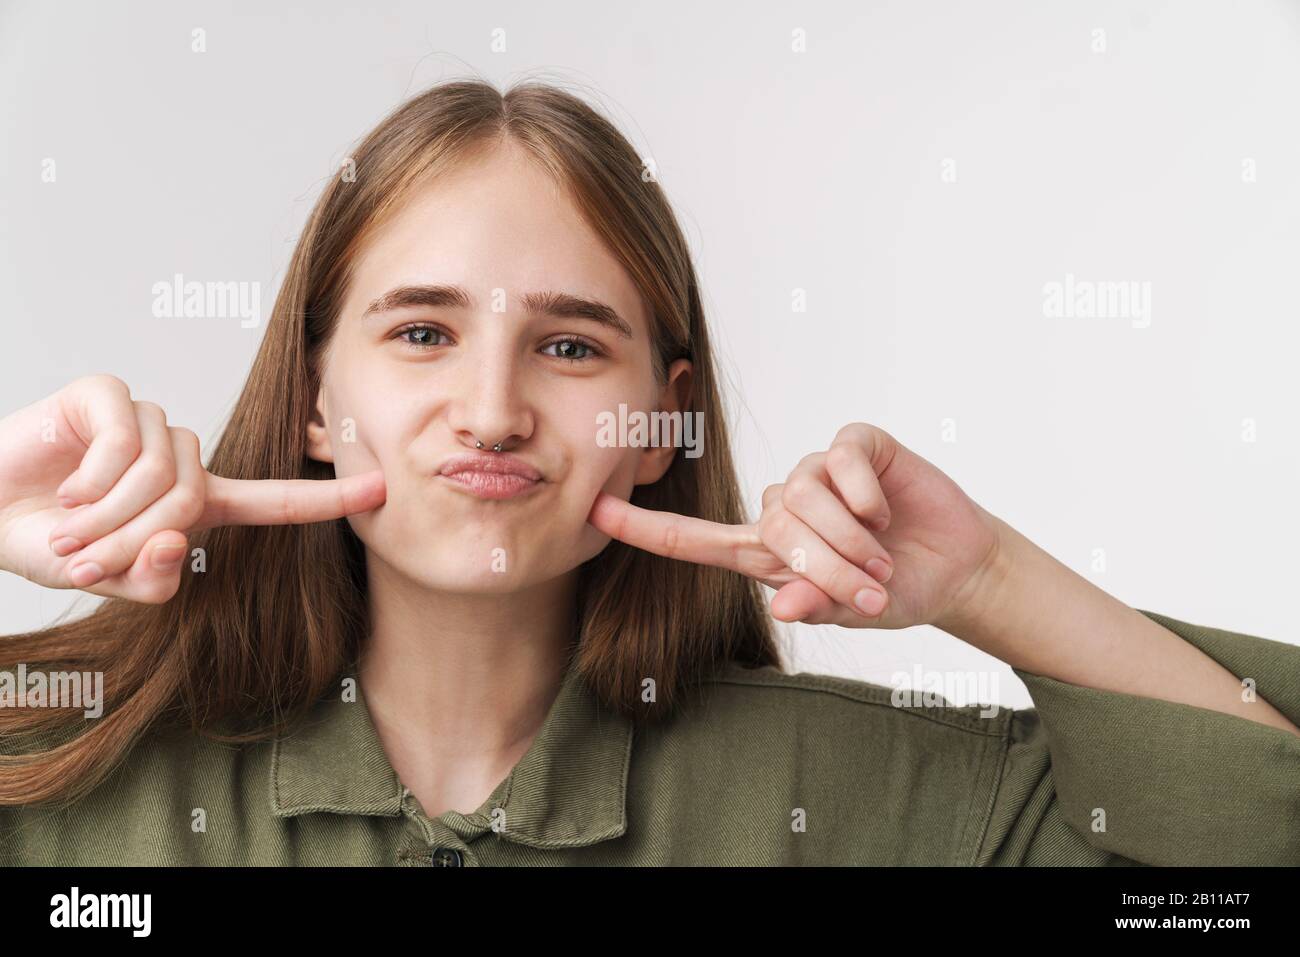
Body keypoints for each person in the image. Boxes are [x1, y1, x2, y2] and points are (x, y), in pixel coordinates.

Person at [0, 79, 1295, 867]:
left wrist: (988, 579)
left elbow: (1251, 850)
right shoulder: (64, 766)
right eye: (422, 333)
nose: (493, 413)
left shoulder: (860, 797)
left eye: (570, 345)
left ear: (666, 419)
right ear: (316, 400)